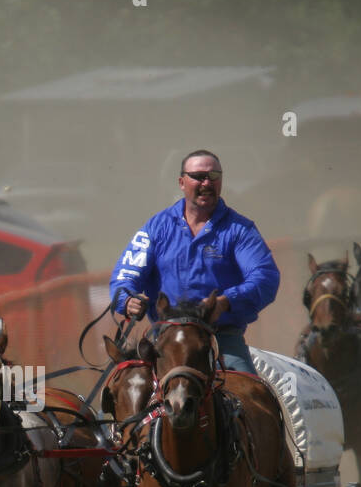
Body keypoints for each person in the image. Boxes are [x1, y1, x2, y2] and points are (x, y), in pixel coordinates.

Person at [109, 149, 281, 375]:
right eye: (198, 176)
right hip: (165, 336)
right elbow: (125, 275)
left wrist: (226, 301)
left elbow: (265, 277)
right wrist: (127, 300)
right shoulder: (156, 227)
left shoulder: (240, 230)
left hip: (219, 337)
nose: (207, 183)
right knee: (124, 390)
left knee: (248, 393)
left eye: (213, 176)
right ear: (182, 182)